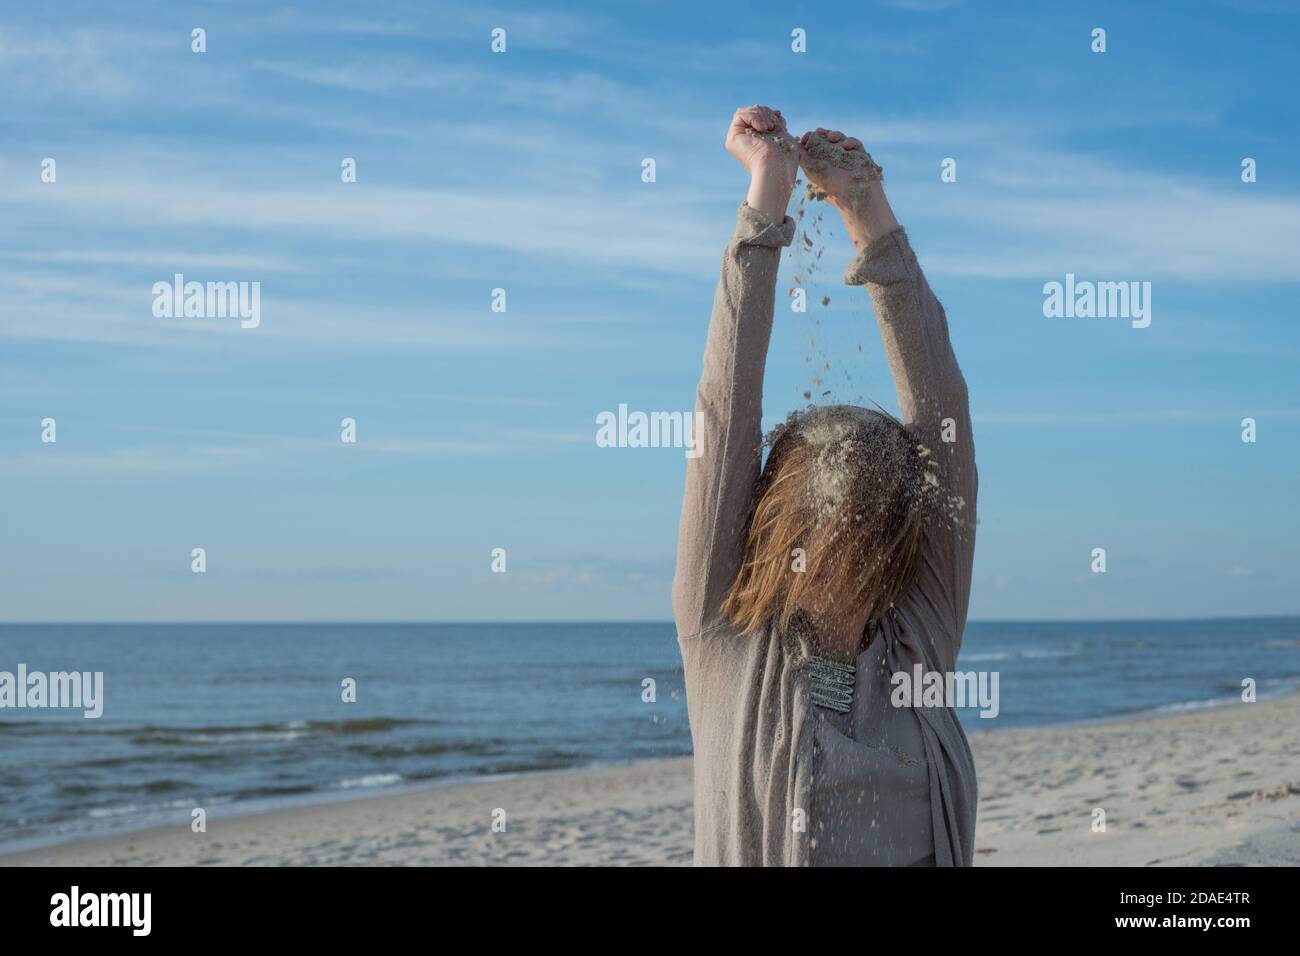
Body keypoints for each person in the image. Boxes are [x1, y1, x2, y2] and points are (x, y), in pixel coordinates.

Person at [672, 105, 978, 866]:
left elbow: (943, 415)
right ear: (782, 529)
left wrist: (865, 208)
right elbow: (726, 410)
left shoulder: (917, 639)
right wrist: (766, 198)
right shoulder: (724, 633)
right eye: (835, 528)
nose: (859, 554)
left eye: (876, 528)